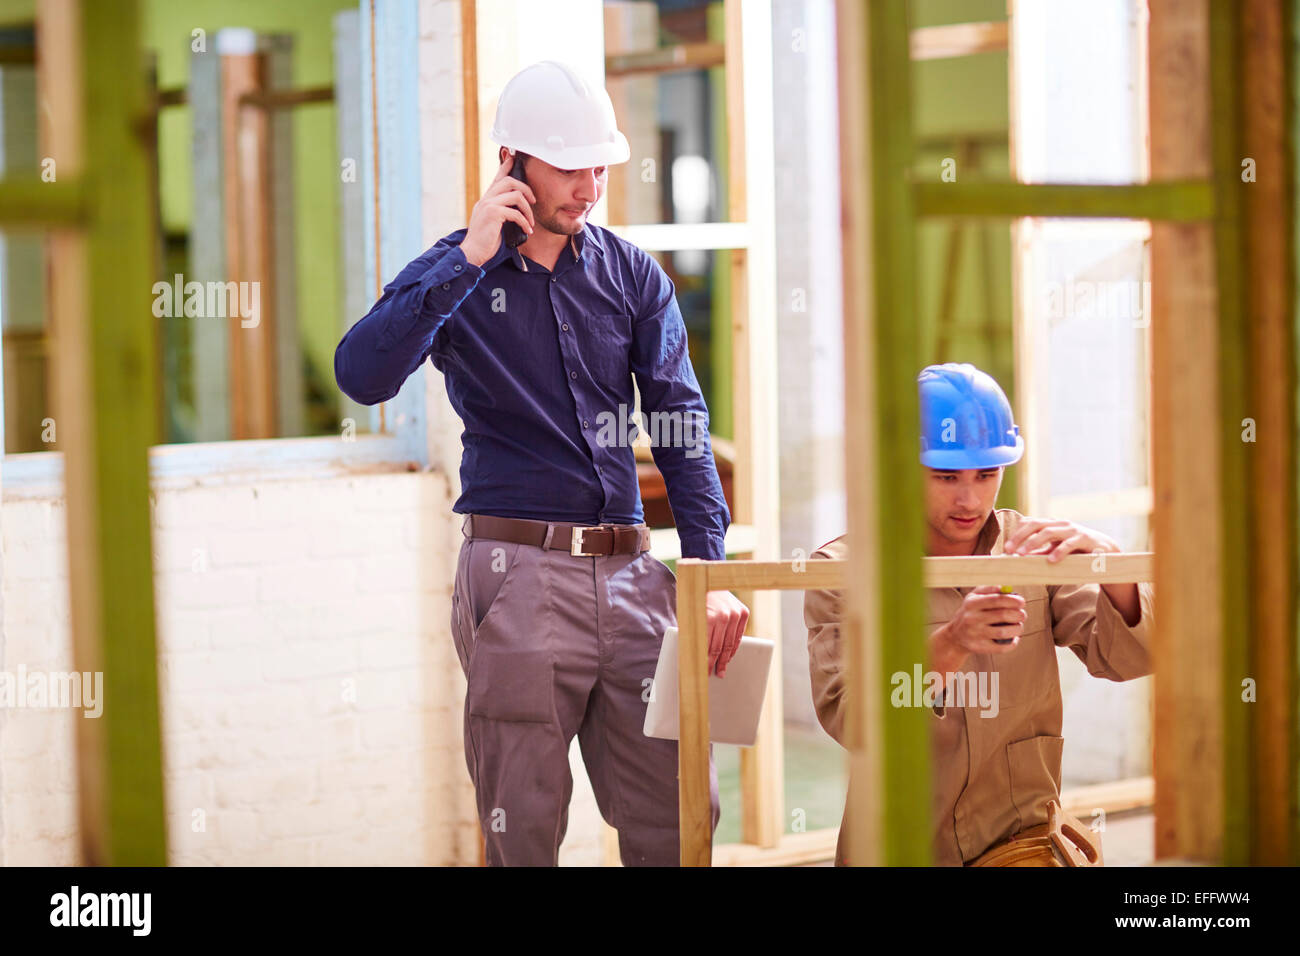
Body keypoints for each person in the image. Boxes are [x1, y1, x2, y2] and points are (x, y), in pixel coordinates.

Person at [334, 60, 748, 866]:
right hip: (518, 574)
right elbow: (363, 374)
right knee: (520, 833)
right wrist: (469, 260)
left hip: (635, 579)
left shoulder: (632, 275)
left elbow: (679, 424)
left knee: (680, 821)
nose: (590, 186)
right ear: (511, 163)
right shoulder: (454, 270)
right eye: (570, 167)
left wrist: (708, 566)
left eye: (600, 166)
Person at [803, 363, 1153, 866]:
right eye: (945, 477)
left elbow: (1127, 659)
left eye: (986, 474)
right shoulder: (844, 572)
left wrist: (1113, 566)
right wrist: (952, 642)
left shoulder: (1032, 552)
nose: (970, 499)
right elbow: (853, 718)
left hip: (1019, 847)